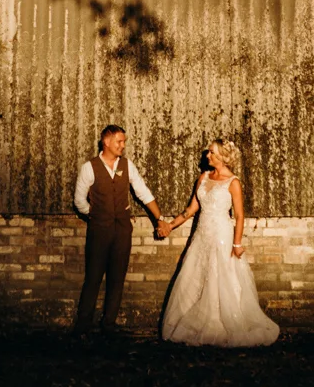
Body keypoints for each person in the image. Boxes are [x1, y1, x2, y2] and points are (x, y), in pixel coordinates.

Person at [157, 139, 279, 346]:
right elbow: (191, 209)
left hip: (222, 235)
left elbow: (239, 216)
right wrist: (170, 225)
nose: (207, 156)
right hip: (202, 235)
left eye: (211, 153)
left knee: (220, 278)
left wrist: (237, 244)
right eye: (208, 153)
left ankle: (221, 322)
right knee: (197, 275)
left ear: (222, 156)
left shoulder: (233, 182)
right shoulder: (203, 178)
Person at [71, 124, 168, 337]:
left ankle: (109, 324)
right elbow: (79, 201)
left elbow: (143, 192)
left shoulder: (126, 165)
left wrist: (159, 218)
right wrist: (96, 215)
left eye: (124, 142)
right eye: (119, 141)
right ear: (106, 142)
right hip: (99, 231)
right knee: (94, 277)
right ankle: (83, 325)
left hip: (122, 230)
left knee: (117, 277)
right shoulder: (90, 167)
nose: (123, 146)